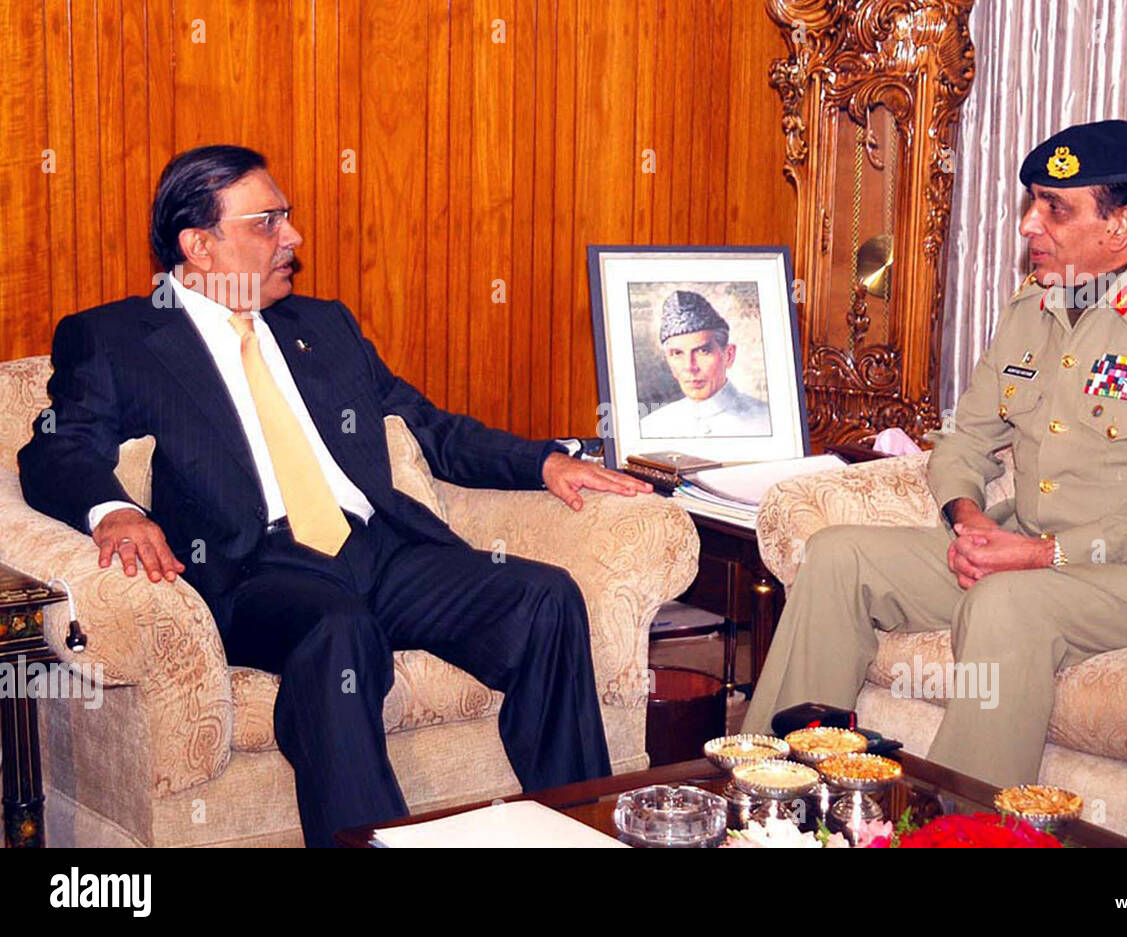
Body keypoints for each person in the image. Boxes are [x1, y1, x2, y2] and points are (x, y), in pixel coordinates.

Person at [18, 144, 652, 846]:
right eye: (267, 223)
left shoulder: (321, 326)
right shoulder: (117, 340)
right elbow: (55, 448)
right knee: (337, 631)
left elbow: (428, 426)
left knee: (543, 597)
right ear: (198, 245)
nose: (291, 238)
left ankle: (581, 830)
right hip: (252, 571)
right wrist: (116, 512)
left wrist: (544, 463)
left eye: (285, 218)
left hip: (375, 548)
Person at [740, 120, 1127, 788]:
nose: (1029, 224)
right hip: (1039, 552)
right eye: (1033, 202)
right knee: (840, 554)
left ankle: (956, 833)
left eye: (1055, 208)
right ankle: (777, 791)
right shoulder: (1036, 304)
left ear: (1120, 224)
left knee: (1008, 602)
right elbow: (965, 437)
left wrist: (1042, 554)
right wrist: (970, 518)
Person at [639, 290, 771, 437]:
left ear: (728, 355)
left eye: (702, 351)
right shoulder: (651, 428)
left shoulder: (767, 422)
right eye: (677, 353)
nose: (690, 366)